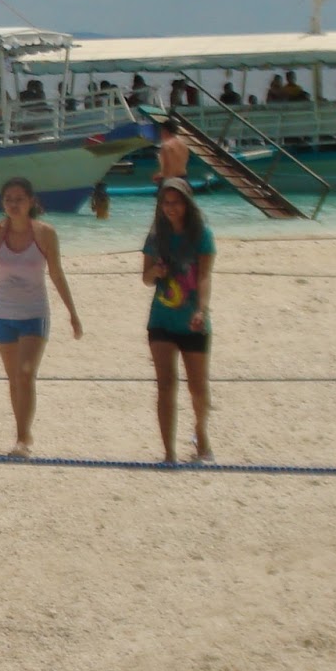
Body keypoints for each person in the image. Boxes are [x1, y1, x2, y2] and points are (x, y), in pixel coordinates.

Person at [0, 177, 83, 458]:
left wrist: (72, 313)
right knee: (13, 378)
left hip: (34, 312)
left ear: (31, 201)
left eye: (19, 199)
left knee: (26, 373)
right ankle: (22, 432)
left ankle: (23, 438)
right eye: (8, 199)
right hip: (2, 313)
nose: (14, 204)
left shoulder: (45, 233)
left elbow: (56, 273)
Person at [143, 177, 215, 464]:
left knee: (197, 387)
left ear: (187, 204)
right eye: (166, 203)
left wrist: (201, 310)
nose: (171, 208)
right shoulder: (155, 237)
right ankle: (169, 452)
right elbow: (146, 278)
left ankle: (201, 433)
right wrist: (156, 273)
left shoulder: (201, 235)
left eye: (176, 203)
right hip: (161, 319)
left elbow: (205, 276)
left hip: (192, 320)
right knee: (165, 385)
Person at [151, 118, 189, 184]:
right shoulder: (183, 144)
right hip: (183, 179)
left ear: (165, 131)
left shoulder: (166, 146)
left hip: (171, 182)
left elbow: (167, 170)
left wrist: (158, 176)